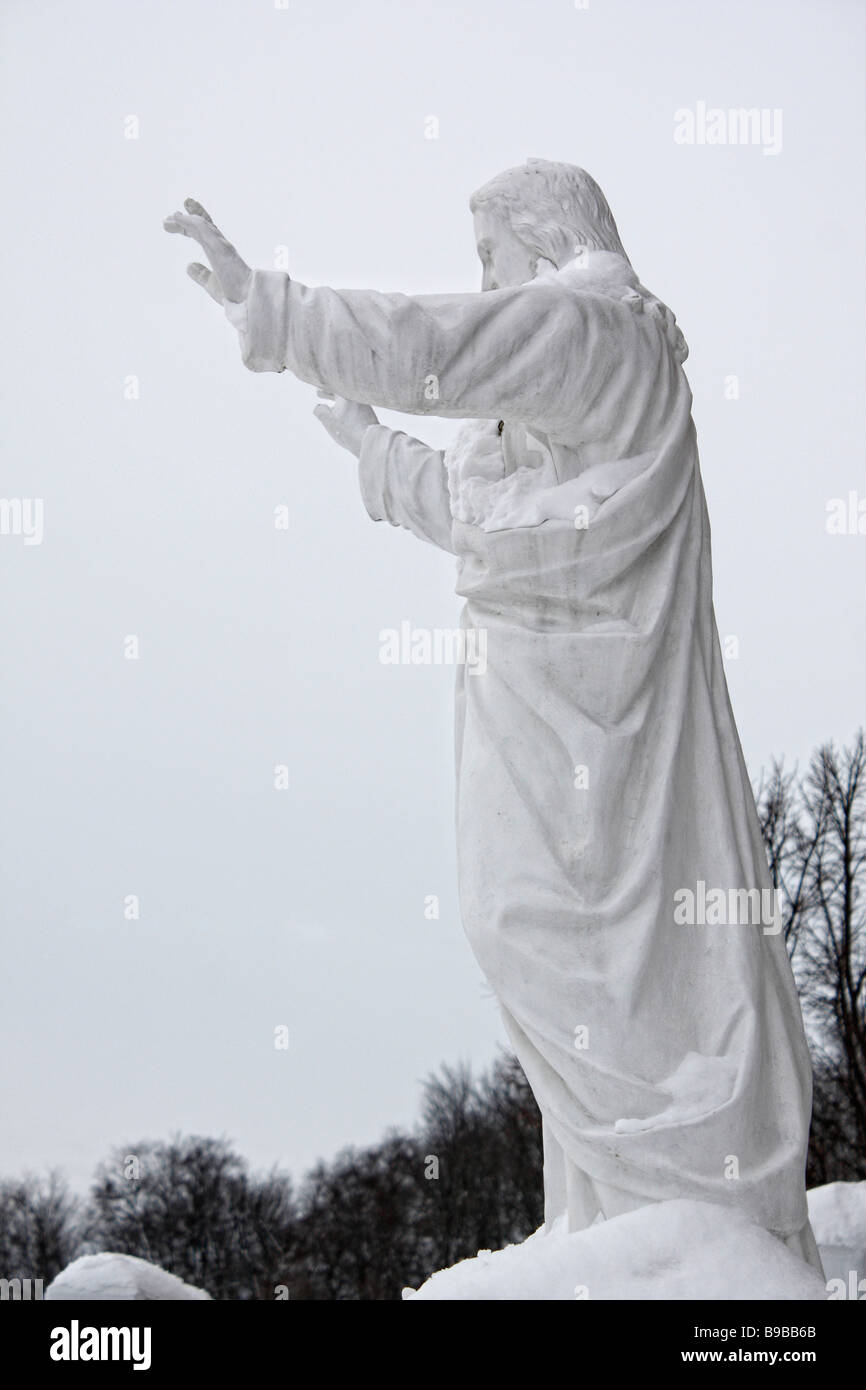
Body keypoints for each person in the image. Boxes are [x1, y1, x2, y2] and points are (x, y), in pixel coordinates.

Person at [165, 160, 823, 1271]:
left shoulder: (595, 334)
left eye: (487, 255)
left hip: (599, 736)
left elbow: (447, 350)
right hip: (547, 721)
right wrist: (375, 453)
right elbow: (489, 519)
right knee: (528, 929)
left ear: (544, 240)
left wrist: (278, 313)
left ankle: (673, 1199)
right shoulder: (567, 392)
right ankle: (628, 1213)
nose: (482, 282)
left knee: (545, 926)